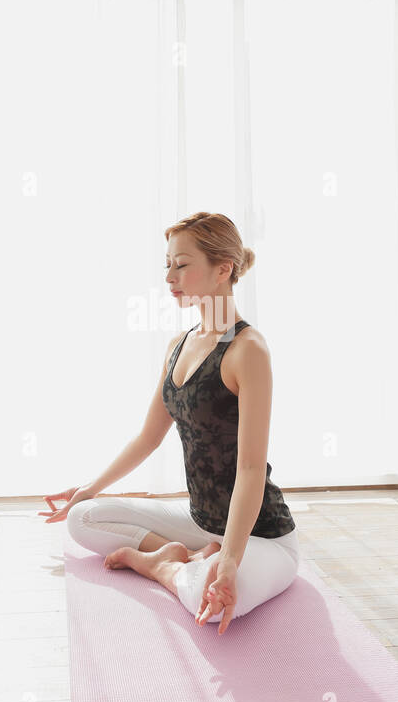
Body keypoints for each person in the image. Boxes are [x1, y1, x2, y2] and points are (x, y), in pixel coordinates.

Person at [41, 212, 298, 636]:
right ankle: (180, 556)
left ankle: (161, 564)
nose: (169, 277)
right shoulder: (177, 345)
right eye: (167, 265)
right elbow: (148, 437)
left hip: (260, 537)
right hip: (199, 522)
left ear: (223, 269)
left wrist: (230, 561)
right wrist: (87, 489)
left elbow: (251, 470)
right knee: (82, 518)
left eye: (181, 265)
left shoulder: (248, 350)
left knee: (211, 604)